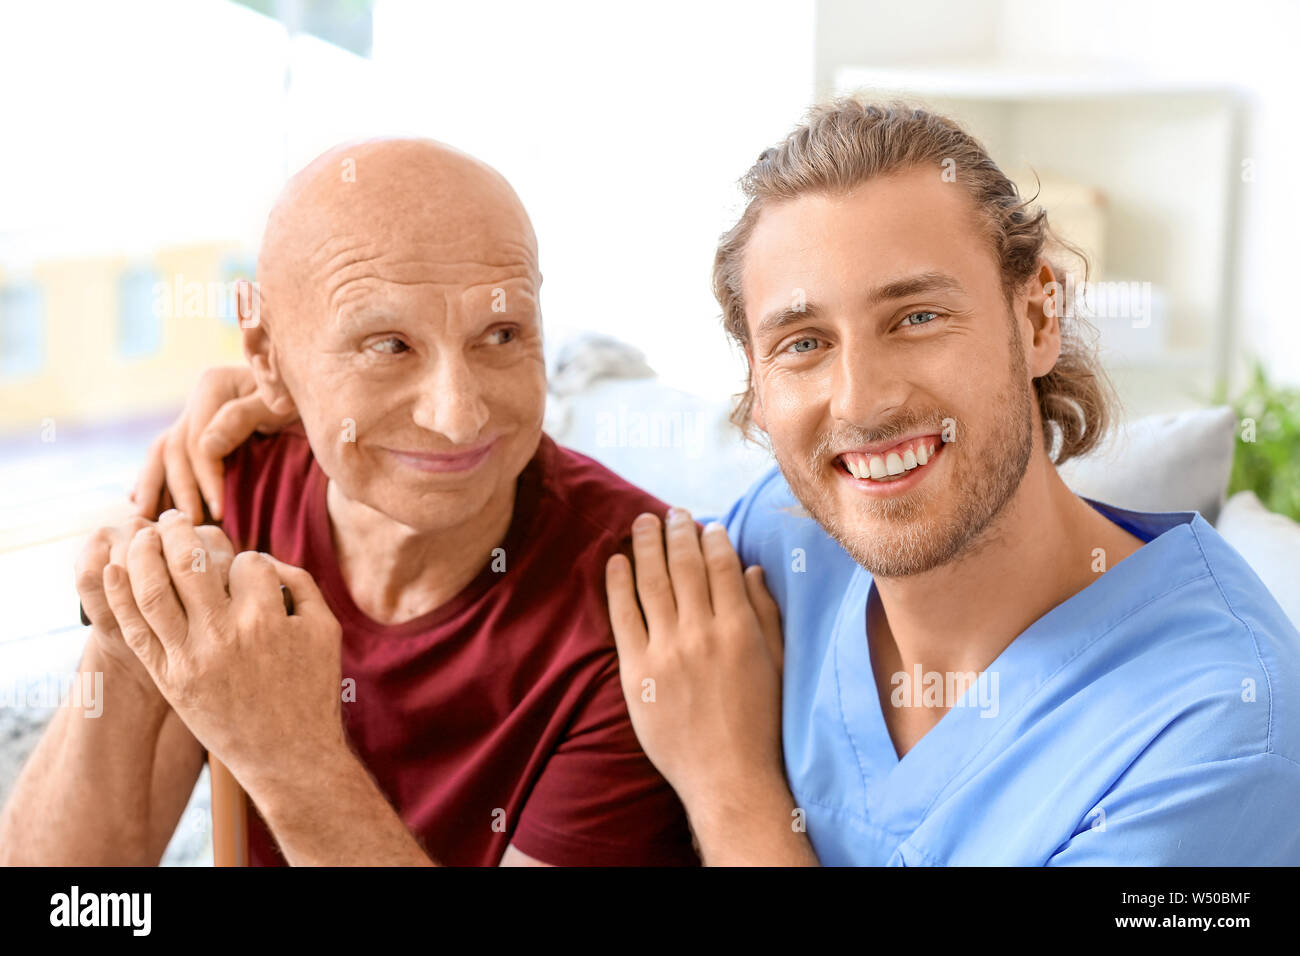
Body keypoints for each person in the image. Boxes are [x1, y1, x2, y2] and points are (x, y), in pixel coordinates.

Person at [102, 101, 1300, 866]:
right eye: (800, 343)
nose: (862, 398)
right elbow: (505, 462)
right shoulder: (771, 545)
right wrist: (284, 397)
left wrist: (730, 789)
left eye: (917, 316)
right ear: (755, 387)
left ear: (1037, 314)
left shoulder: (1216, 725)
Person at [0, 137, 741, 866]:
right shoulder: (227, 490)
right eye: (388, 345)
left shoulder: (645, 611)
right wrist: (126, 637)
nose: (459, 416)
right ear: (264, 355)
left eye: (502, 334)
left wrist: (289, 753)